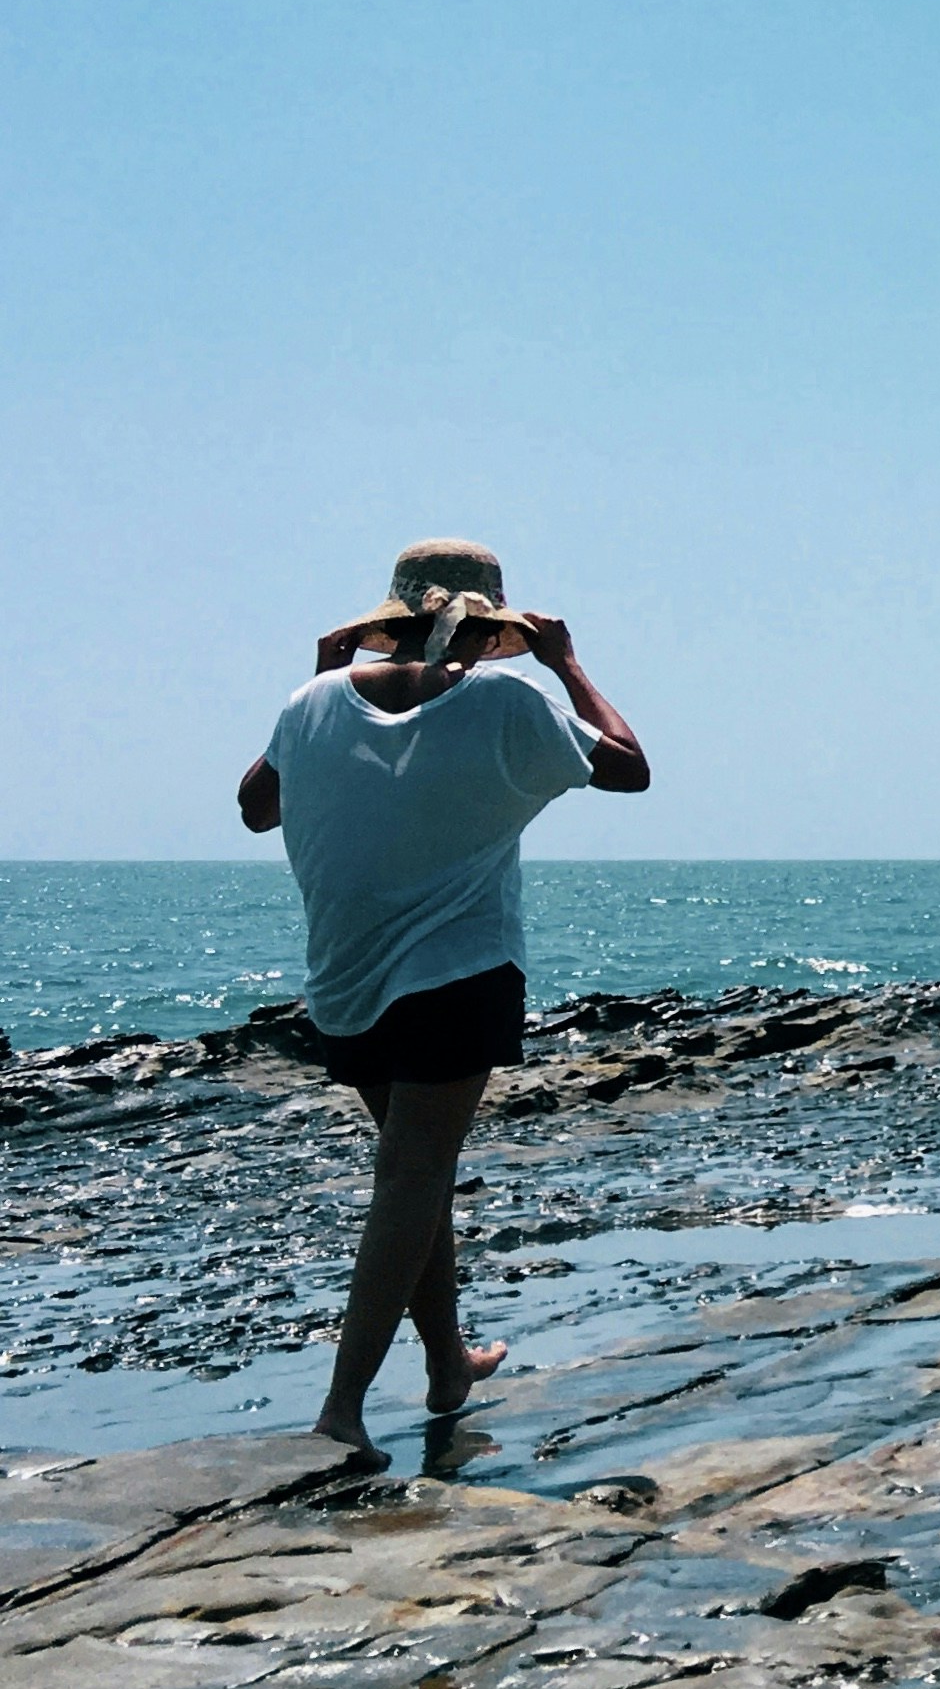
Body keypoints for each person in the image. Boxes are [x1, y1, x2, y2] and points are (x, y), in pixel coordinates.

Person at [237, 539, 649, 1454]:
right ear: (494, 624)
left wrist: (318, 678)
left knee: (414, 1171)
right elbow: (628, 764)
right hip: (458, 974)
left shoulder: (310, 704)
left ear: (390, 619)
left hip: (344, 978)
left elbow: (257, 807)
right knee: (413, 1172)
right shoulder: (506, 699)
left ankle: (447, 1363)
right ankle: (342, 1411)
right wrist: (568, 663)